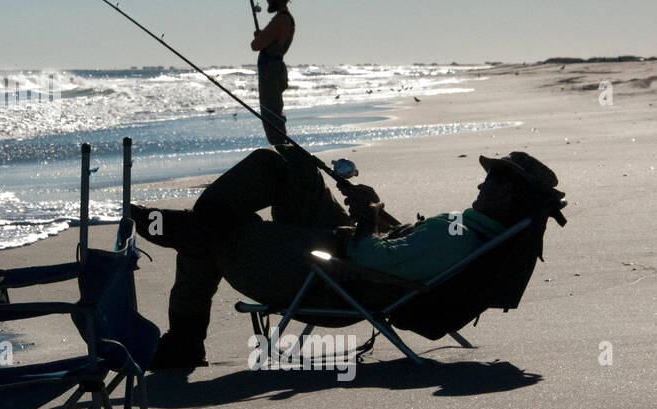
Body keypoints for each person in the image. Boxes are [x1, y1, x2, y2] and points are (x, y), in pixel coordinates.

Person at [132, 146, 565, 369]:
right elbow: (400, 250)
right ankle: (193, 234)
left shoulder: (458, 238)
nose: (481, 183)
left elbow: (374, 261)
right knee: (288, 163)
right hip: (346, 255)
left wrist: (366, 218)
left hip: (331, 277)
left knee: (216, 233)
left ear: (507, 192)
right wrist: (371, 211)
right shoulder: (469, 233)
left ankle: (185, 336)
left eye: (491, 178)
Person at [250, 0, 295, 146]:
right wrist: (261, 37)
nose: (268, 0)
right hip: (277, 69)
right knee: (275, 111)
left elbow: (256, 45)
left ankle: (281, 147)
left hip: (271, 72)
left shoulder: (279, 21)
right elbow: (267, 40)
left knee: (270, 114)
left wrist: (259, 37)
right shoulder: (287, 19)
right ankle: (282, 145)